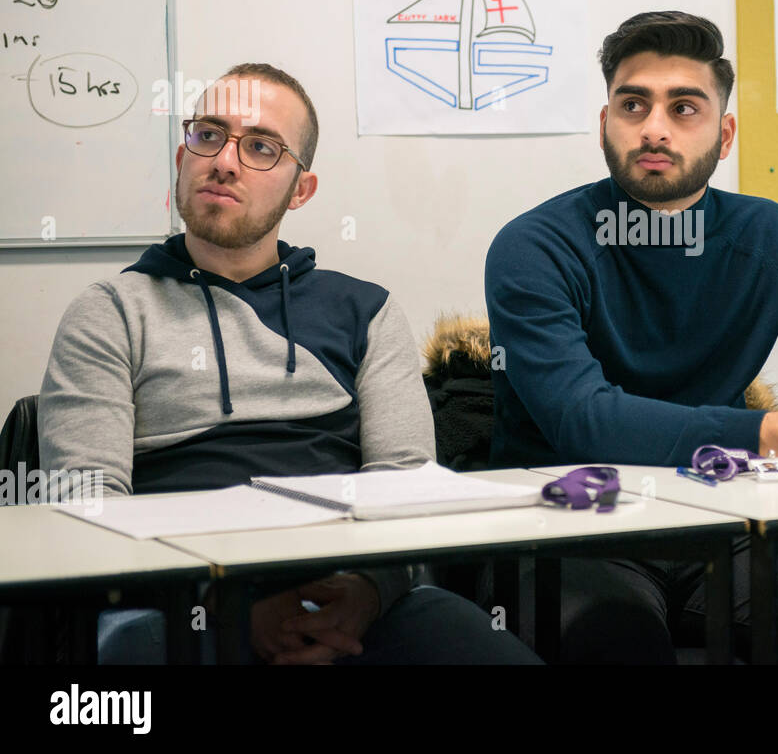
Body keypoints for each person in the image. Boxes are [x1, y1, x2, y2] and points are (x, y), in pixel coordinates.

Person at [38, 63, 538, 665]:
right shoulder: (110, 311)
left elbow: (406, 490)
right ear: (181, 158)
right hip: (173, 602)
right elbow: (84, 510)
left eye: (260, 148)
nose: (224, 161)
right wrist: (227, 604)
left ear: (302, 189)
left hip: (351, 598)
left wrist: (365, 595)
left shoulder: (366, 310)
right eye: (208, 136)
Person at [485, 11, 778, 662]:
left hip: (723, 523)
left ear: (726, 132)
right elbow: (585, 420)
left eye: (685, 107)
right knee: (615, 644)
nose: (655, 126)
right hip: (569, 526)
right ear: (606, 125)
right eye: (634, 104)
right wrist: (768, 437)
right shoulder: (535, 247)